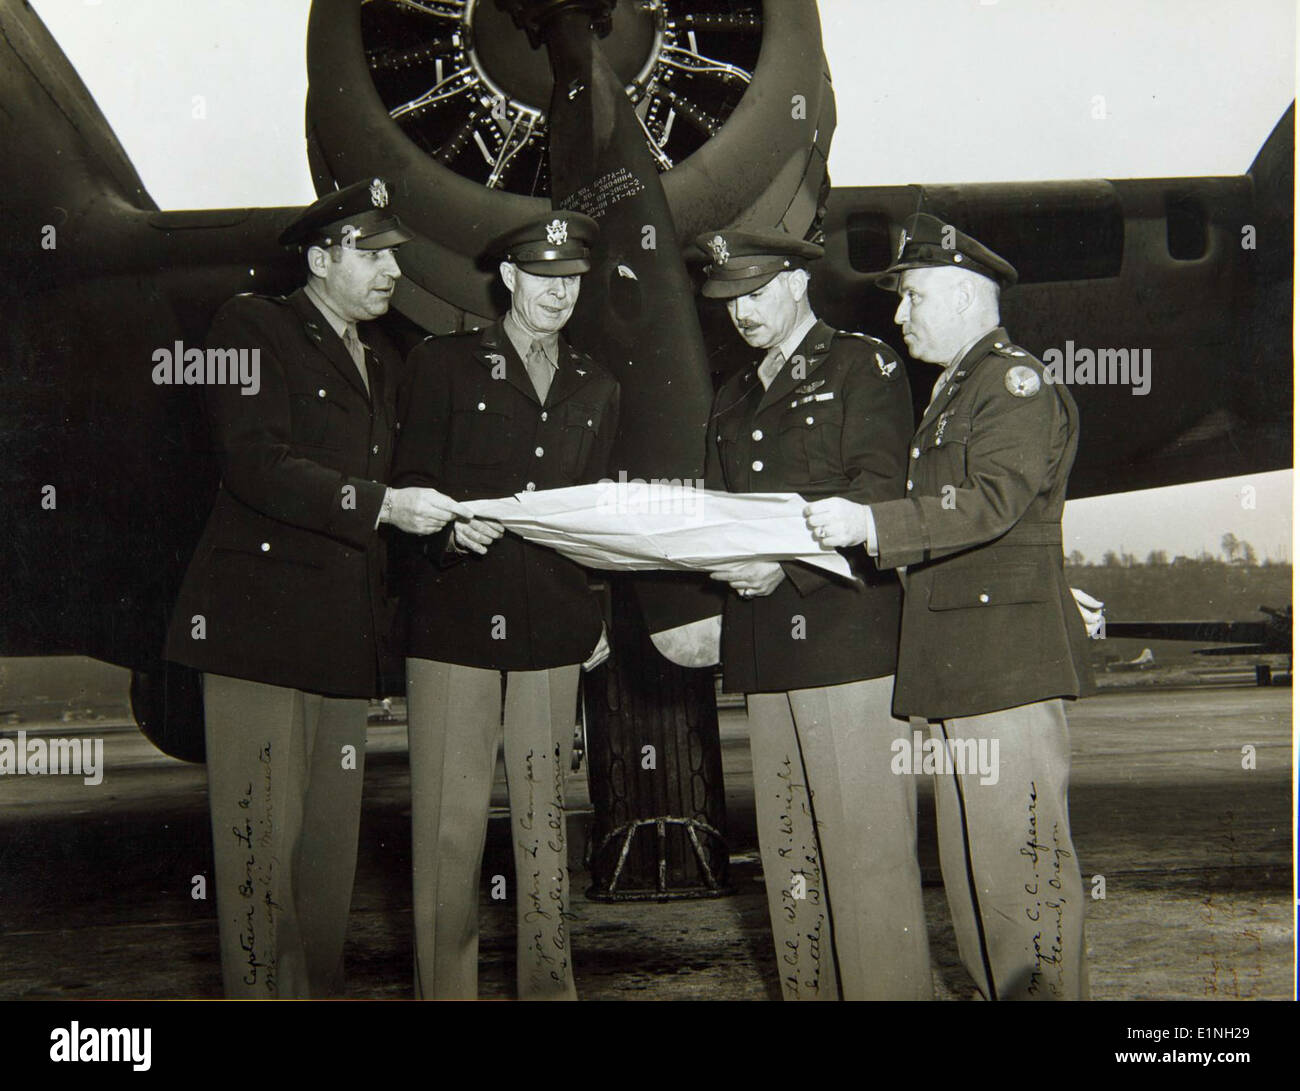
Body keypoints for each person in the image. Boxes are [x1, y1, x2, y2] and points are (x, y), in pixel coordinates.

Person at [165, 178, 468, 998]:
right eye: (370, 256)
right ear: (319, 257)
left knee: (324, 859)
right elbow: (256, 460)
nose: (391, 275)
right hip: (259, 631)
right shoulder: (253, 325)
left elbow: (400, 485)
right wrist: (381, 505)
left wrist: (445, 517)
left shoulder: (380, 360)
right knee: (260, 851)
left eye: (394, 257)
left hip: (340, 634)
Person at [805, 212, 1093, 1000]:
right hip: (967, 669)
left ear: (967, 296)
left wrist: (873, 523)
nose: (900, 316)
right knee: (975, 883)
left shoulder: (1011, 383)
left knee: (1019, 876)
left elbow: (994, 499)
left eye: (915, 297)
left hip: (1003, 669)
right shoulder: (959, 389)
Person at [392, 210, 620, 1000]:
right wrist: (445, 539)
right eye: (544, 278)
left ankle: (550, 990)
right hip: (455, 622)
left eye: (573, 280)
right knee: (448, 831)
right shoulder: (443, 364)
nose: (559, 293)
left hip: (554, 629)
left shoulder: (598, 384)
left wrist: (596, 615)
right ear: (510, 279)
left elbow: (597, 517)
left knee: (545, 829)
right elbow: (406, 493)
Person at [693, 228, 925, 999]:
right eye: (728, 300)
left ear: (795, 280)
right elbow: (720, 511)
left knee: (867, 858)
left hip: (843, 645)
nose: (742, 313)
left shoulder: (864, 365)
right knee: (790, 860)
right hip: (768, 656)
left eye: (757, 292)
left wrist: (782, 566)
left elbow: (878, 493)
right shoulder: (732, 394)